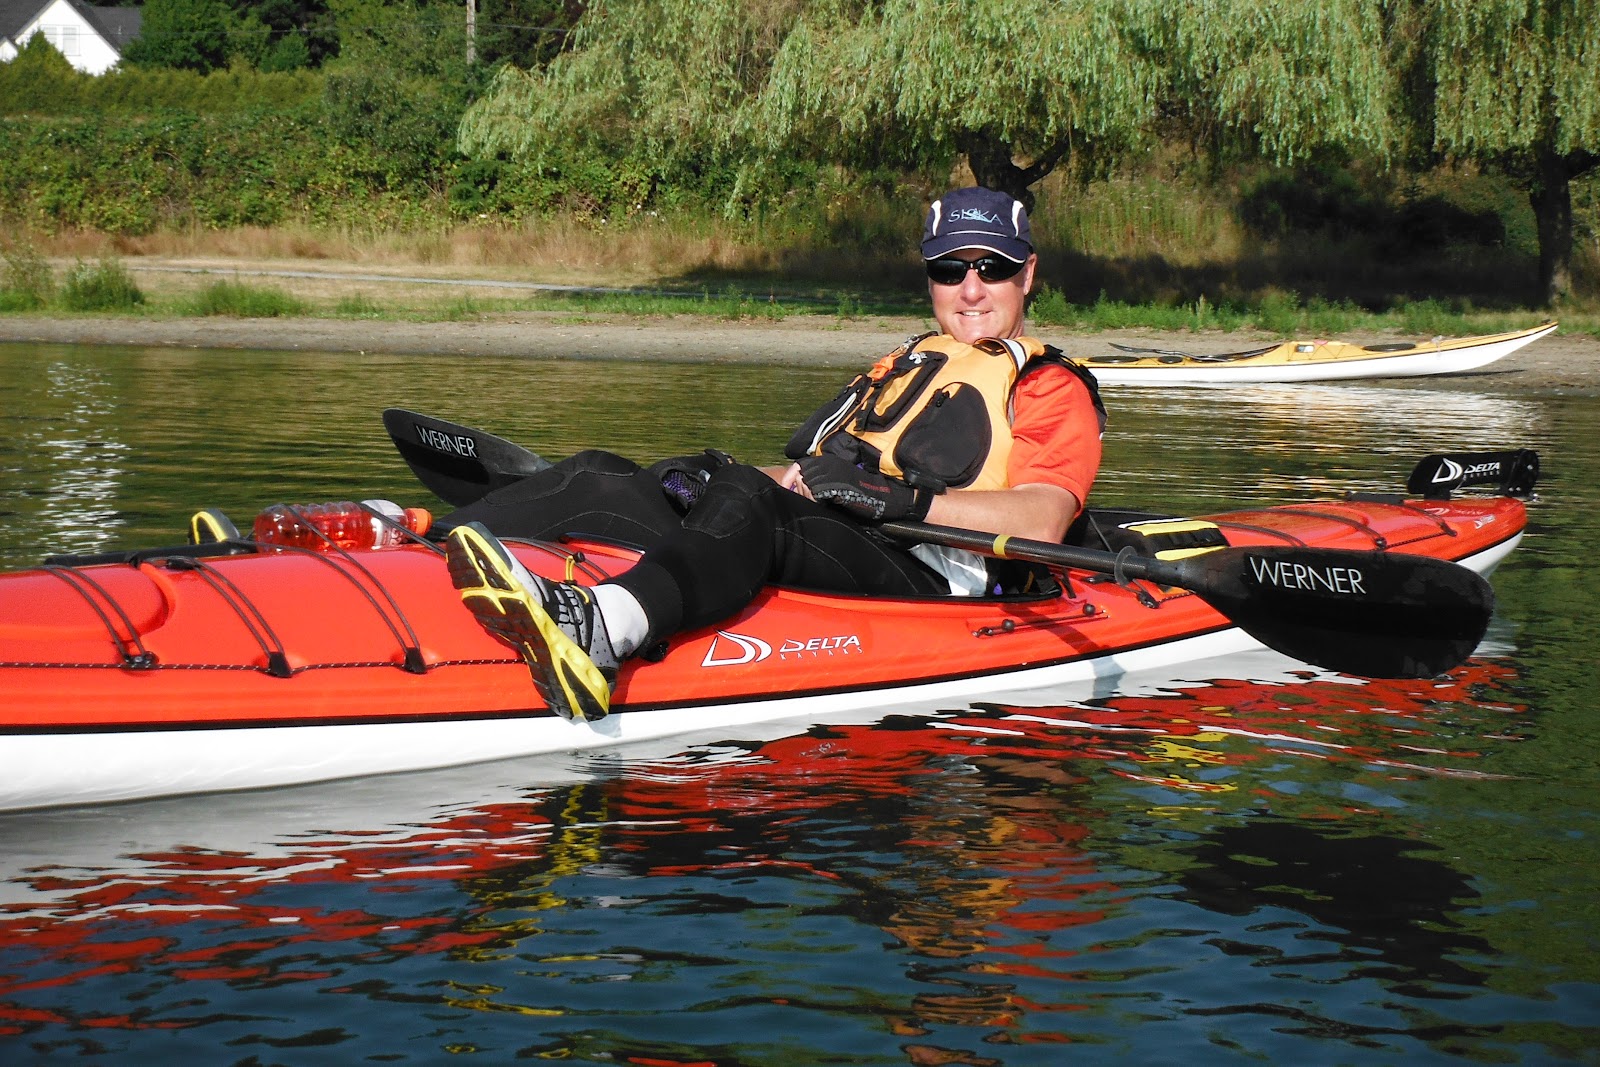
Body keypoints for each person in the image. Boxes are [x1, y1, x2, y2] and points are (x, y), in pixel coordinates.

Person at [441, 186, 1105, 722]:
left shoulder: (1047, 386)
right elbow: (800, 477)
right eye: (949, 268)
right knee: (605, 472)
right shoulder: (905, 363)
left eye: (992, 267)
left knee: (748, 500)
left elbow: (1044, 517)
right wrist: (708, 474)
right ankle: (414, 542)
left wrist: (904, 499)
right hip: (845, 537)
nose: (970, 288)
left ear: (1027, 274)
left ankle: (601, 630)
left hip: (932, 575)